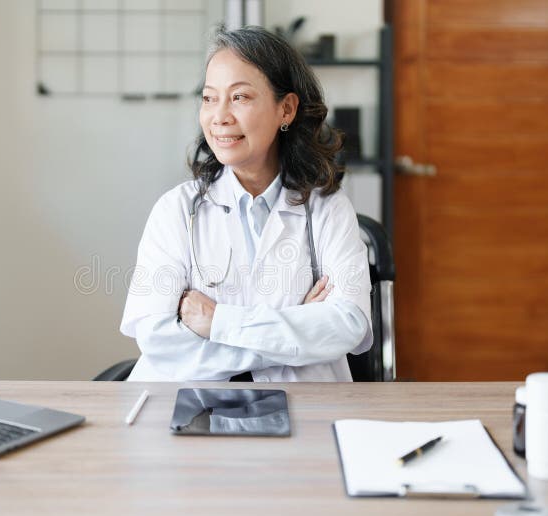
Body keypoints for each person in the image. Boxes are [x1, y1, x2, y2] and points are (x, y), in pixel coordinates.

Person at [120, 26, 372, 382]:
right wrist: (293, 333)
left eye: (239, 97)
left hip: (307, 412)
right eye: (209, 98)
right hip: (189, 412)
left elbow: (348, 324)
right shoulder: (175, 210)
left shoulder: (327, 208)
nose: (219, 116)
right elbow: (157, 338)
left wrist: (218, 322)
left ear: (286, 109)